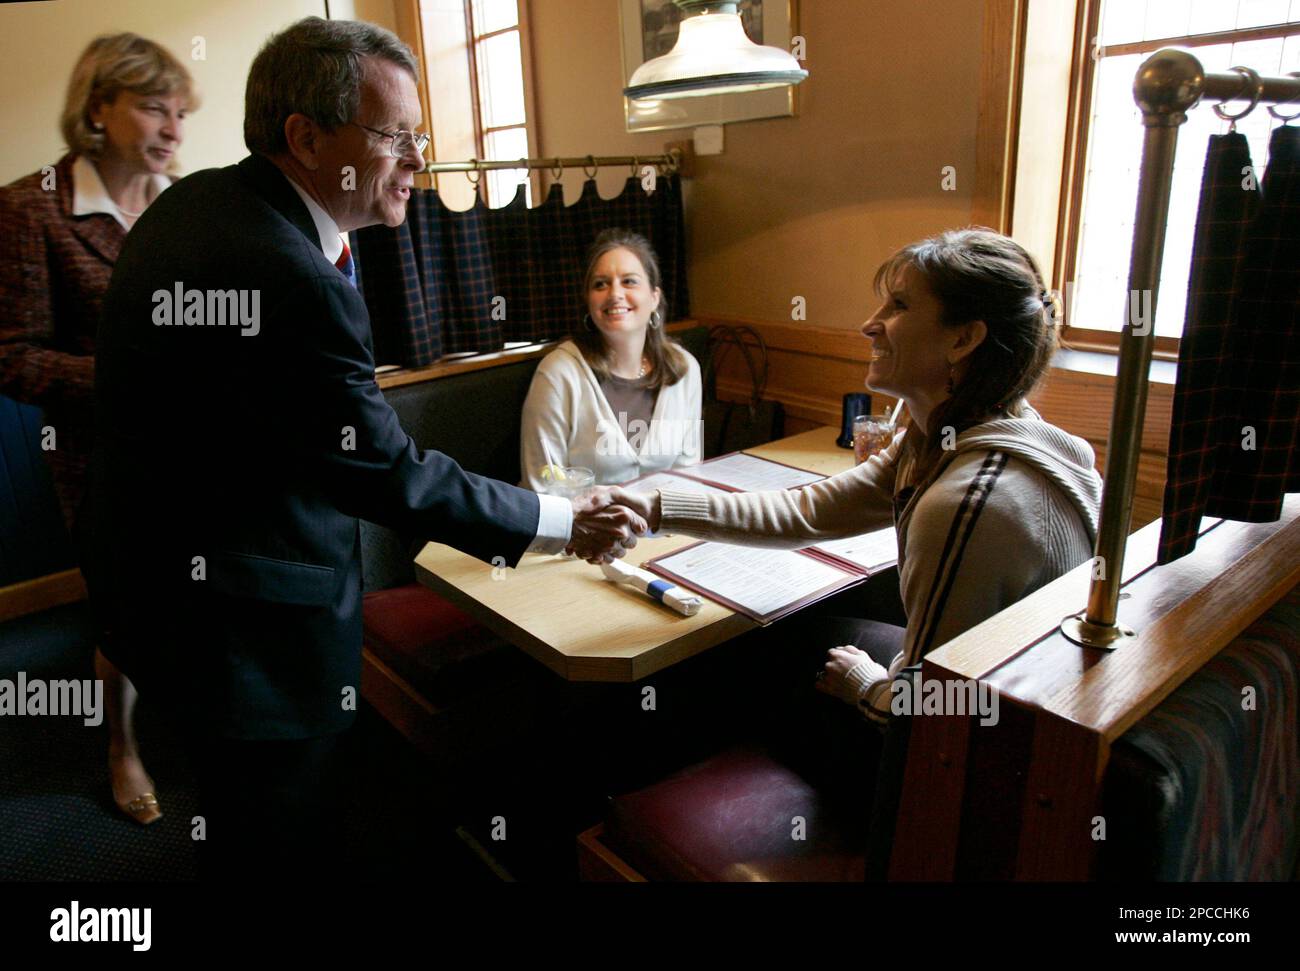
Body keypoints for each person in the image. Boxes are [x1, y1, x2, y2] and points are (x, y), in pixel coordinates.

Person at [89, 17, 643, 878]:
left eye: (420, 136)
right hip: (249, 633)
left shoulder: (199, 202)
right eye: (397, 136)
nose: (421, 160)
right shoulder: (290, 273)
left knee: (238, 816)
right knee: (282, 838)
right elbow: (382, 466)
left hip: (164, 592)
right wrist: (563, 520)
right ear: (305, 137)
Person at [609, 229, 1103, 750]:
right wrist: (655, 505)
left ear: (963, 339)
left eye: (899, 305)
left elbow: (933, 712)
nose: (870, 324)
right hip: (974, 700)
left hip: (978, 754)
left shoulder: (965, 503)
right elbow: (808, 510)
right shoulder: (965, 433)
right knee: (785, 638)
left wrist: (867, 686)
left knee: (735, 668)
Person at [0, 32, 197, 826]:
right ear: (97, 107)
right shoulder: (28, 207)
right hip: (103, 454)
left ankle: (192, 719)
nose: (173, 127)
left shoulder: (182, 201)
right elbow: (10, 357)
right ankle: (121, 746)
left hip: (200, 444)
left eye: (182, 111)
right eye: (154, 106)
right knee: (126, 606)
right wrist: (124, 379)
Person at [519, 229, 702, 491]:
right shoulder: (558, 374)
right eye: (600, 284)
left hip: (665, 529)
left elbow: (689, 472)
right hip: (579, 530)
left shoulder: (685, 369)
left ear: (654, 297)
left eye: (629, 281)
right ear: (588, 302)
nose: (614, 293)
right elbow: (542, 487)